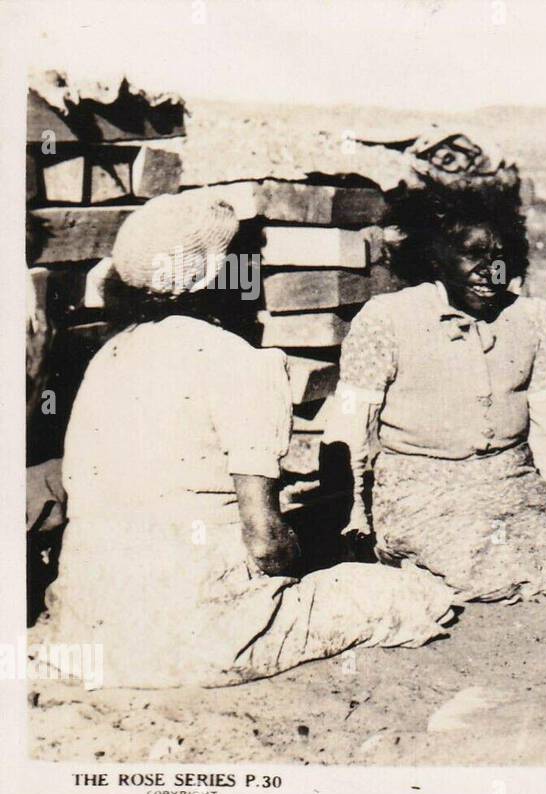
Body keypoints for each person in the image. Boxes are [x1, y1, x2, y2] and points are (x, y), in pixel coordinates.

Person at [34, 192, 455, 688]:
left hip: (89, 633)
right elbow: (265, 542)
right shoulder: (236, 360)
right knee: (417, 594)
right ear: (216, 274)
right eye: (243, 260)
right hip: (195, 639)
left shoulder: (108, 358)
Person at [328, 188, 546, 601]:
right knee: (474, 569)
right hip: (422, 488)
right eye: (472, 255)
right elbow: (351, 423)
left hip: (510, 481)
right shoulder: (388, 319)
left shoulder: (533, 318)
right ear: (435, 257)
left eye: (501, 257)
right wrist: (354, 518)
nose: (490, 271)